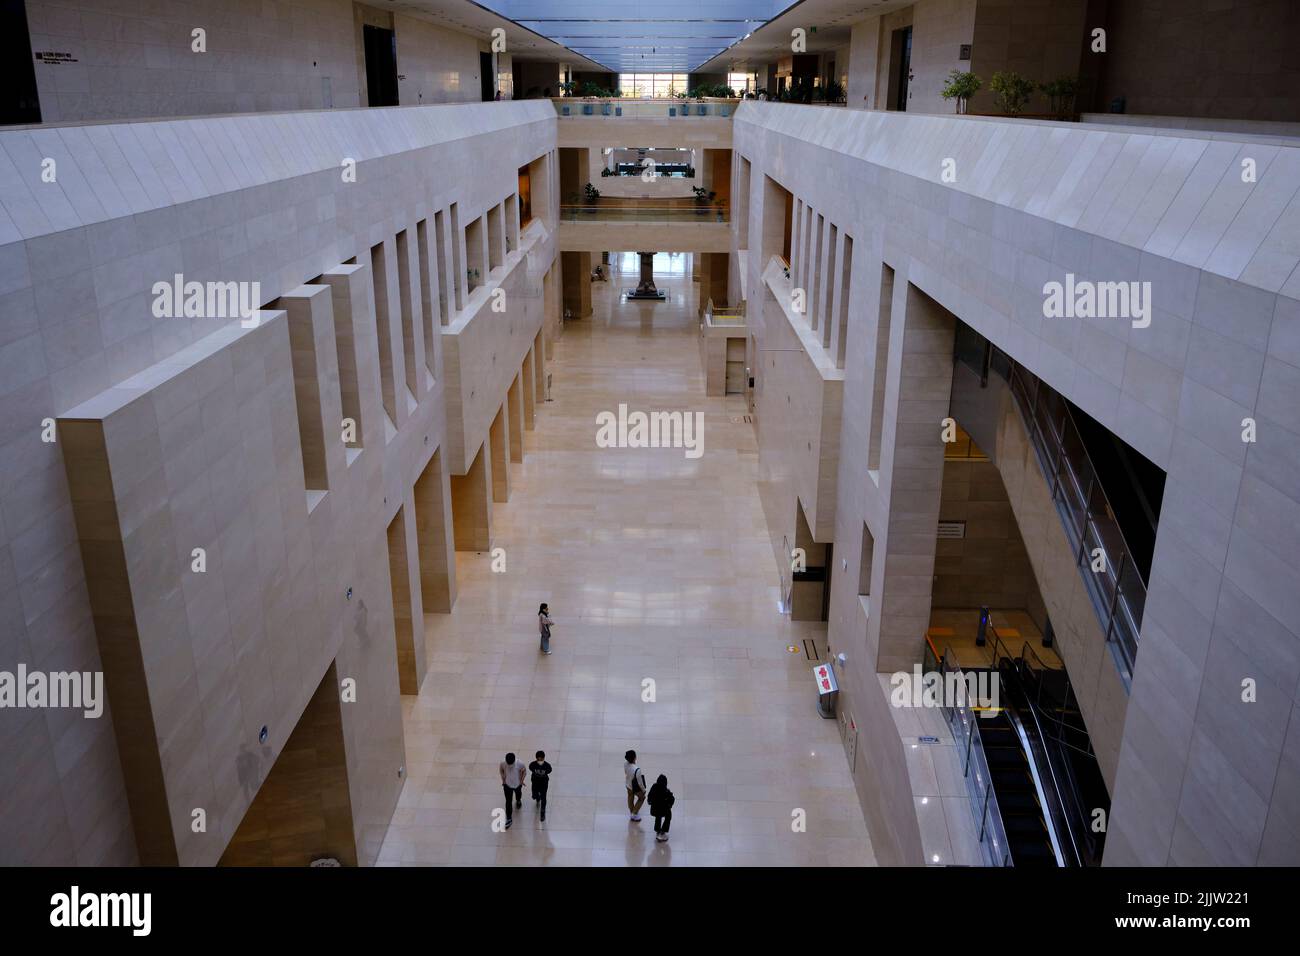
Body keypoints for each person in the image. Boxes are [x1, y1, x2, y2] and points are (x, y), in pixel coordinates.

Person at [499, 752, 525, 829]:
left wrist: (521, 781)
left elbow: (524, 771)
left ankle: (518, 800)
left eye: (511, 764)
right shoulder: (503, 762)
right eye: (508, 764)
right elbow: (501, 770)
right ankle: (509, 817)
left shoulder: (520, 763)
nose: (509, 765)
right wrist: (503, 779)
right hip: (507, 785)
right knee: (508, 801)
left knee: (518, 794)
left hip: (517, 784)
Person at [647, 774, 674, 842]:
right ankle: (663, 831)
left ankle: (657, 829)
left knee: (658, 816)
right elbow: (672, 799)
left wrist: (650, 802)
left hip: (654, 809)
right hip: (663, 810)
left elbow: (649, 796)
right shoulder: (665, 791)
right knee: (668, 816)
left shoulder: (654, 786)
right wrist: (669, 805)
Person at [528, 751, 553, 824]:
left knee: (544, 797)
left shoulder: (547, 766)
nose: (540, 761)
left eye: (541, 759)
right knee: (534, 795)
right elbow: (530, 768)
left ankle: (542, 811)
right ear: (536, 758)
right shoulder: (532, 764)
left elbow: (549, 771)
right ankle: (537, 798)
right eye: (538, 759)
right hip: (535, 782)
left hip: (543, 783)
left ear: (543, 758)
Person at [624, 750, 647, 822]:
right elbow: (640, 783)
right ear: (634, 758)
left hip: (628, 785)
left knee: (630, 797)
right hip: (635, 788)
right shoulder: (637, 769)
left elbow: (626, 772)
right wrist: (643, 790)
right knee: (642, 798)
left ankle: (632, 812)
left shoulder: (625, 764)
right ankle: (634, 814)